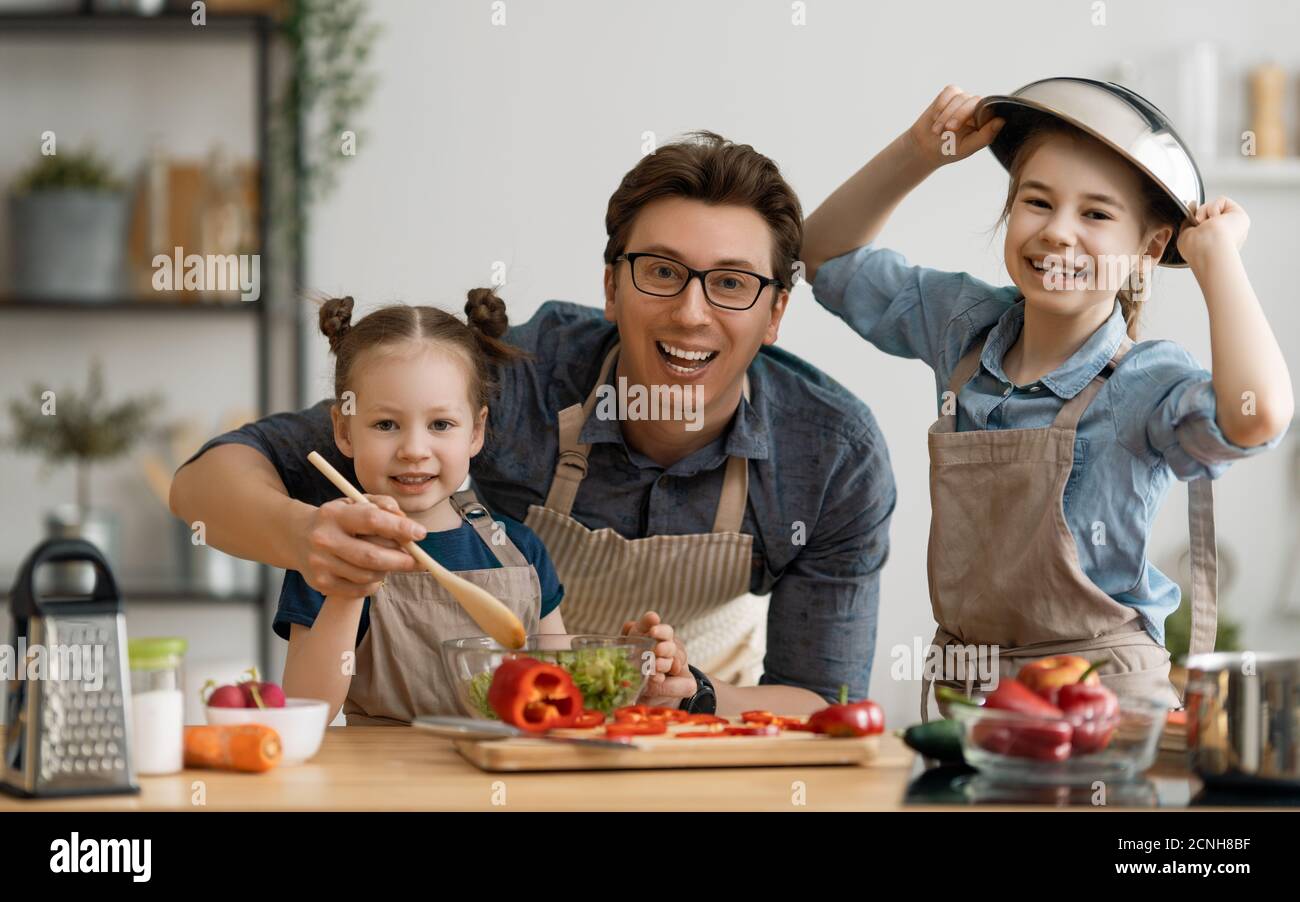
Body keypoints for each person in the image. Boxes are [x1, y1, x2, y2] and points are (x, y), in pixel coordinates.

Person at [171, 132, 896, 715]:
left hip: (701, 738)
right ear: (611, 287)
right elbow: (203, 486)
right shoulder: (513, 378)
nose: (692, 313)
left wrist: (696, 694)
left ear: (775, 315)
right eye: (662, 272)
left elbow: (825, 704)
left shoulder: (833, 454)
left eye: (732, 283)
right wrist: (304, 539)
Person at [801, 82, 1293, 717]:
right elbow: (824, 256)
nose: (1058, 233)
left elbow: (1258, 417)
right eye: (1037, 202)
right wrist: (919, 153)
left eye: (1096, 214)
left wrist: (1217, 258)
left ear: (1148, 247)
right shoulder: (963, 326)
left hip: (1104, 700)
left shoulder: (1143, 380)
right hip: (969, 697)